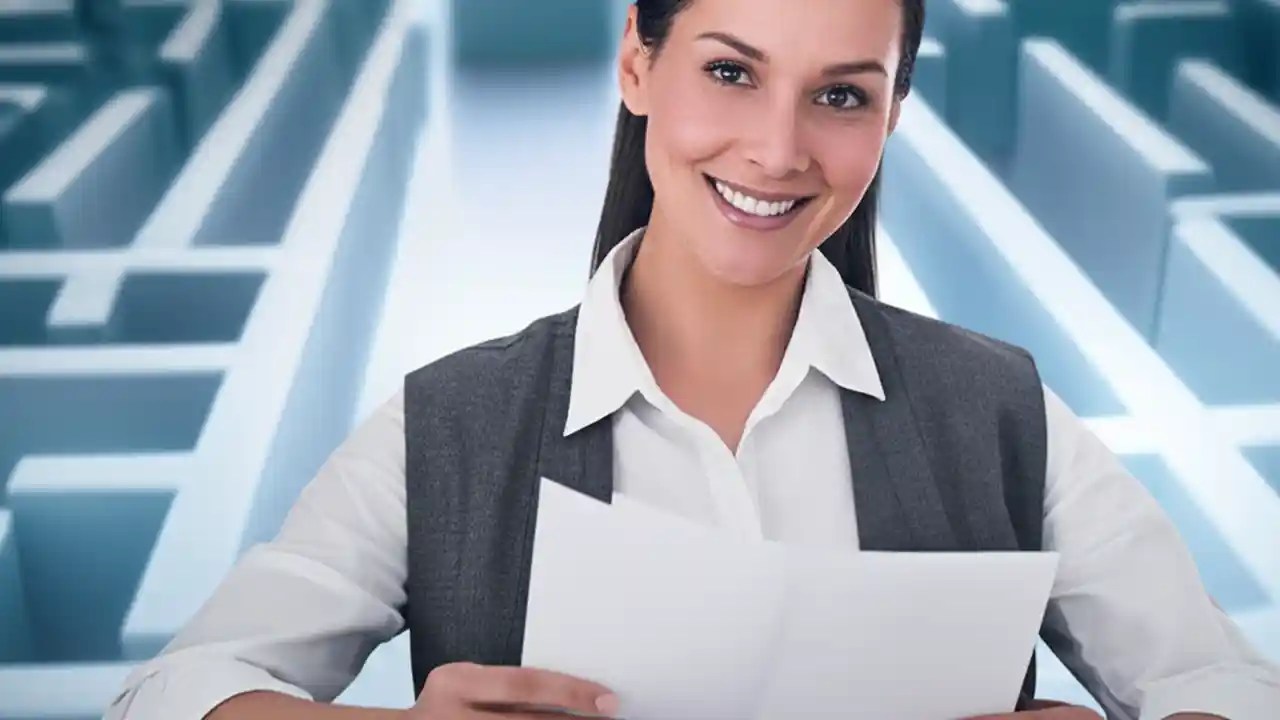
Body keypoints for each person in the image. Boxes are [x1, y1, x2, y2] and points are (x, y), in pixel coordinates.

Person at [106, 0, 1280, 718]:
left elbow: (1220, 683)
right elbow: (171, 692)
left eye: (838, 95)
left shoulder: (996, 410)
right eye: (730, 71)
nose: (775, 150)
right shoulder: (449, 427)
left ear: (890, 117)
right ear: (635, 63)